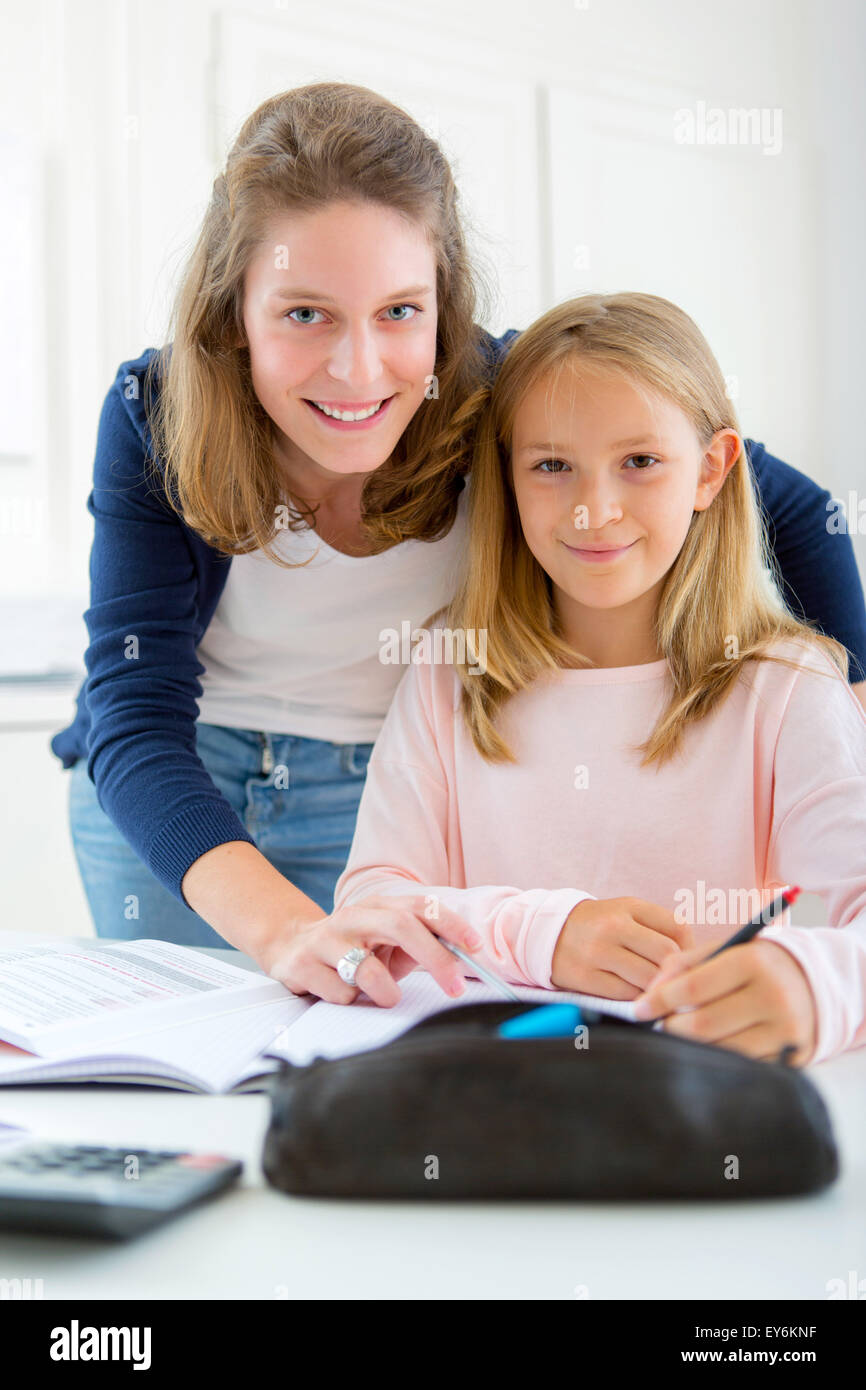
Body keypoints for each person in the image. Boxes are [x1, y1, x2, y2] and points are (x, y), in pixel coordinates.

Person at [51, 82, 866, 1010]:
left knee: (364, 1043)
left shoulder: (495, 388)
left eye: (401, 310)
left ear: (443, 302)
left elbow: (791, 510)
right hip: (178, 793)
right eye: (304, 313)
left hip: (375, 790)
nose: (359, 369)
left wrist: (848, 704)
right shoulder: (159, 413)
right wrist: (284, 929)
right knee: (195, 1071)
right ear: (232, 309)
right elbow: (133, 711)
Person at [332, 292, 866, 1067]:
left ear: (711, 470)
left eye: (640, 462)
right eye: (552, 466)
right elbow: (373, 908)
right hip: (496, 1098)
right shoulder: (454, 664)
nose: (594, 510)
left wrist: (816, 984)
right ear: (507, 481)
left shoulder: (789, 688)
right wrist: (546, 934)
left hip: (701, 1108)